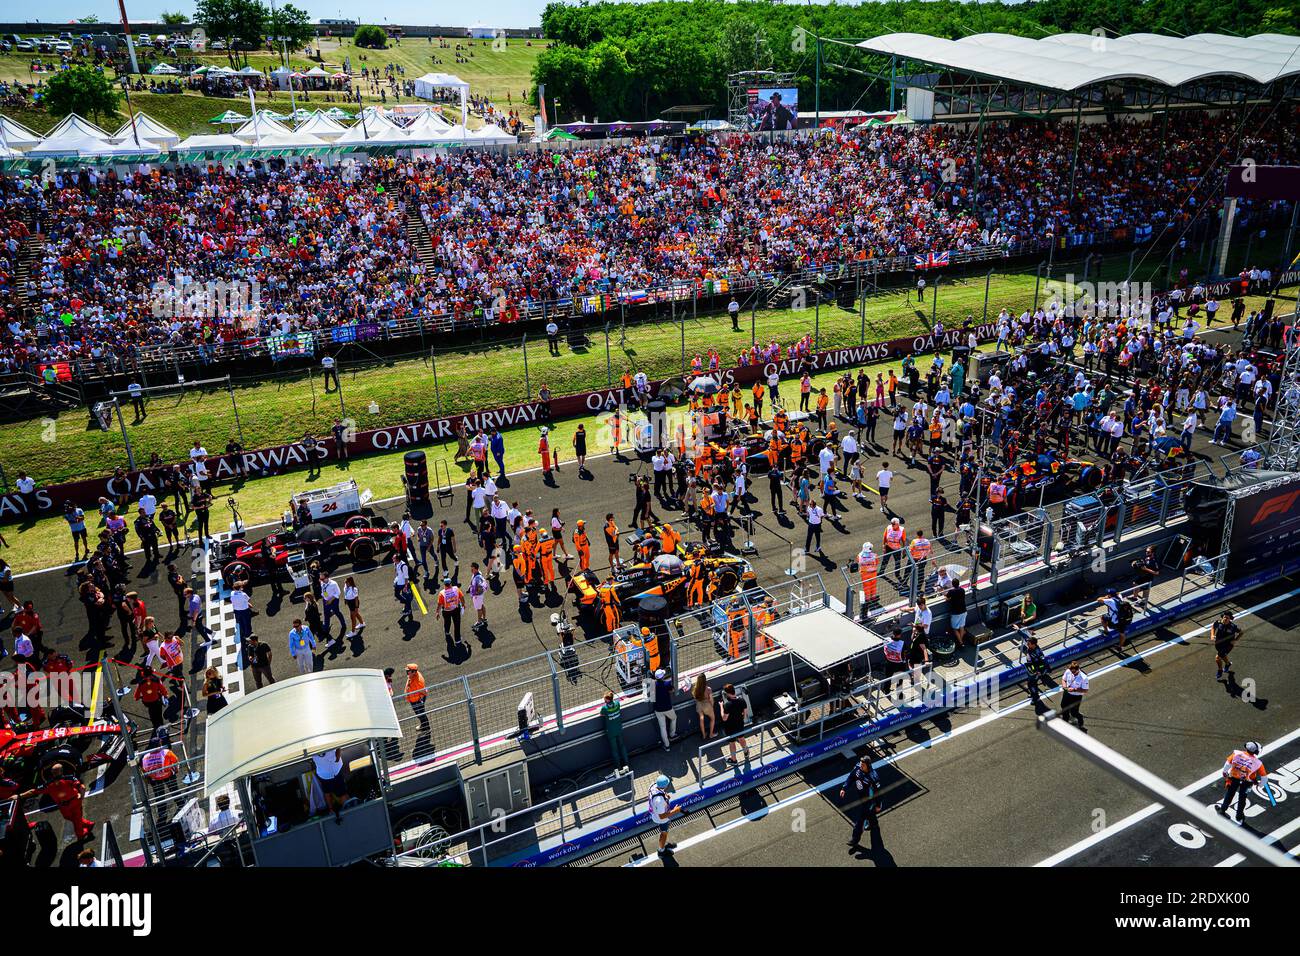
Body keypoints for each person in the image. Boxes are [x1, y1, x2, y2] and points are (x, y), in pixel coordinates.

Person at [1216, 741, 1268, 824]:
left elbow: (1227, 764)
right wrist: (1260, 784)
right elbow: (1264, 778)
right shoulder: (1258, 763)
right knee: (1242, 798)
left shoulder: (1236, 754)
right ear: (1256, 751)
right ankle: (1239, 816)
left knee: (1229, 794)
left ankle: (1222, 810)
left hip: (1233, 778)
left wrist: (1225, 772)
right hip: (1247, 783)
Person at [838, 753, 881, 848]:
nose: (861, 766)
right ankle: (874, 824)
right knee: (869, 814)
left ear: (868, 765)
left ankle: (855, 839)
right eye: (860, 764)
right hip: (861, 797)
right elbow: (851, 777)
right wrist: (844, 788)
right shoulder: (858, 767)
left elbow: (878, 792)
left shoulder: (873, 777)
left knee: (860, 819)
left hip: (869, 800)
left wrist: (878, 805)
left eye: (863, 765)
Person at [647, 774, 684, 859]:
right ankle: (661, 851)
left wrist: (665, 796)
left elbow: (658, 793)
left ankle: (662, 846)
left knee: (665, 830)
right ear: (666, 785)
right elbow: (662, 816)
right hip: (660, 819)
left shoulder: (653, 785)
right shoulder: (659, 801)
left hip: (655, 812)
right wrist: (675, 810)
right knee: (664, 834)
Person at [312, 748, 349, 823]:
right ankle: (332, 809)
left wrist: (337, 757)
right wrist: (337, 758)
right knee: (328, 792)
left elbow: (338, 746)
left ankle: (347, 808)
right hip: (325, 774)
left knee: (341, 793)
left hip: (335, 770)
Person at [600, 691, 629, 771]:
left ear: (608, 700)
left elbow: (601, 714)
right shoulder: (617, 704)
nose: (604, 700)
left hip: (611, 732)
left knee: (614, 750)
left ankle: (618, 767)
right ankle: (627, 764)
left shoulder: (604, 708)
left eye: (605, 699)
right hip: (619, 728)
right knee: (622, 746)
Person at [721, 682, 748, 765]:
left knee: (732, 743)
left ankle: (734, 760)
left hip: (730, 727)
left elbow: (724, 718)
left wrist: (721, 707)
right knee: (741, 738)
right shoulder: (742, 700)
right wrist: (740, 720)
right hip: (740, 724)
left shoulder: (727, 705)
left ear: (728, 693)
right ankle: (746, 752)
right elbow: (745, 713)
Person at [437, 575, 466, 649]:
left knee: (447, 622)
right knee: (457, 625)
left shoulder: (442, 593)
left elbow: (439, 604)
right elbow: (462, 597)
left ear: (444, 585)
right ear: (450, 583)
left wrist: (437, 612)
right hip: (456, 610)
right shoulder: (456, 589)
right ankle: (457, 640)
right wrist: (463, 605)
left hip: (446, 611)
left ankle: (447, 631)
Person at [1212, 611, 1241, 682]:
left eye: (1227, 618)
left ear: (1230, 619)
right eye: (1224, 617)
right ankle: (1227, 664)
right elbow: (1213, 627)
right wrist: (1212, 635)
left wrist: (1236, 640)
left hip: (1228, 645)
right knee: (1222, 656)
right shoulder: (1218, 623)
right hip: (1218, 644)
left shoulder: (1233, 627)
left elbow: (1241, 632)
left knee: (1217, 658)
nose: (1225, 619)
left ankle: (1220, 670)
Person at [1059, 660, 1089, 729]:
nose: (1072, 673)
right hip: (1067, 693)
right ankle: (1065, 721)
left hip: (1076, 696)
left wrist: (1074, 689)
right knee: (1063, 706)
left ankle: (1080, 720)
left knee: (1074, 712)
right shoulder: (1068, 671)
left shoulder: (1084, 678)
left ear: (1078, 669)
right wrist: (1064, 686)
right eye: (1071, 672)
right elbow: (1063, 679)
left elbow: (1085, 690)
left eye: (1074, 672)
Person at [652, 668, 676, 751]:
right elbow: (672, 690)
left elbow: (652, 697)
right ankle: (672, 735)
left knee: (662, 727)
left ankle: (667, 746)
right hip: (668, 708)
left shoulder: (653, 685)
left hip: (658, 709)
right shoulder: (667, 683)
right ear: (662, 677)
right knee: (674, 718)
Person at [405, 663, 429, 730]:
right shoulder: (412, 675)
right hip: (414, 700)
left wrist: (421, 699)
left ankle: (426, 727)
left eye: (408, 671)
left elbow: (424, 692)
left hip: (417, 700)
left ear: (413, 672)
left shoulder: (417, 681)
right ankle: (424, 725)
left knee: (421, 714)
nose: (406, 672)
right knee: (419, 714)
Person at [692, 674, 716, 741]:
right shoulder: (708, 689)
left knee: (701, 719)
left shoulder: (695, 688)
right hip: (707, 706)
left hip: (699, 705)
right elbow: (711, 699)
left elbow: (695, 697)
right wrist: (712, 706)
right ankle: (711, 734)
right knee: (713, 719)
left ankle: (704, 735)